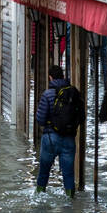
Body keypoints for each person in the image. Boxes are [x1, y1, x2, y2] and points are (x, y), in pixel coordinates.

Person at [35, 65, 83, 198]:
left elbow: (40, 119)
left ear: (50, 77)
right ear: (63, 76)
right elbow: (81, 117)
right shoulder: (73, 93)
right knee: (68, 175)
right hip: (69, 139)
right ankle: (70, 201)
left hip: (50, 138)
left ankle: (39, 197)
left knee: (44, 173)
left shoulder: (48, 94)